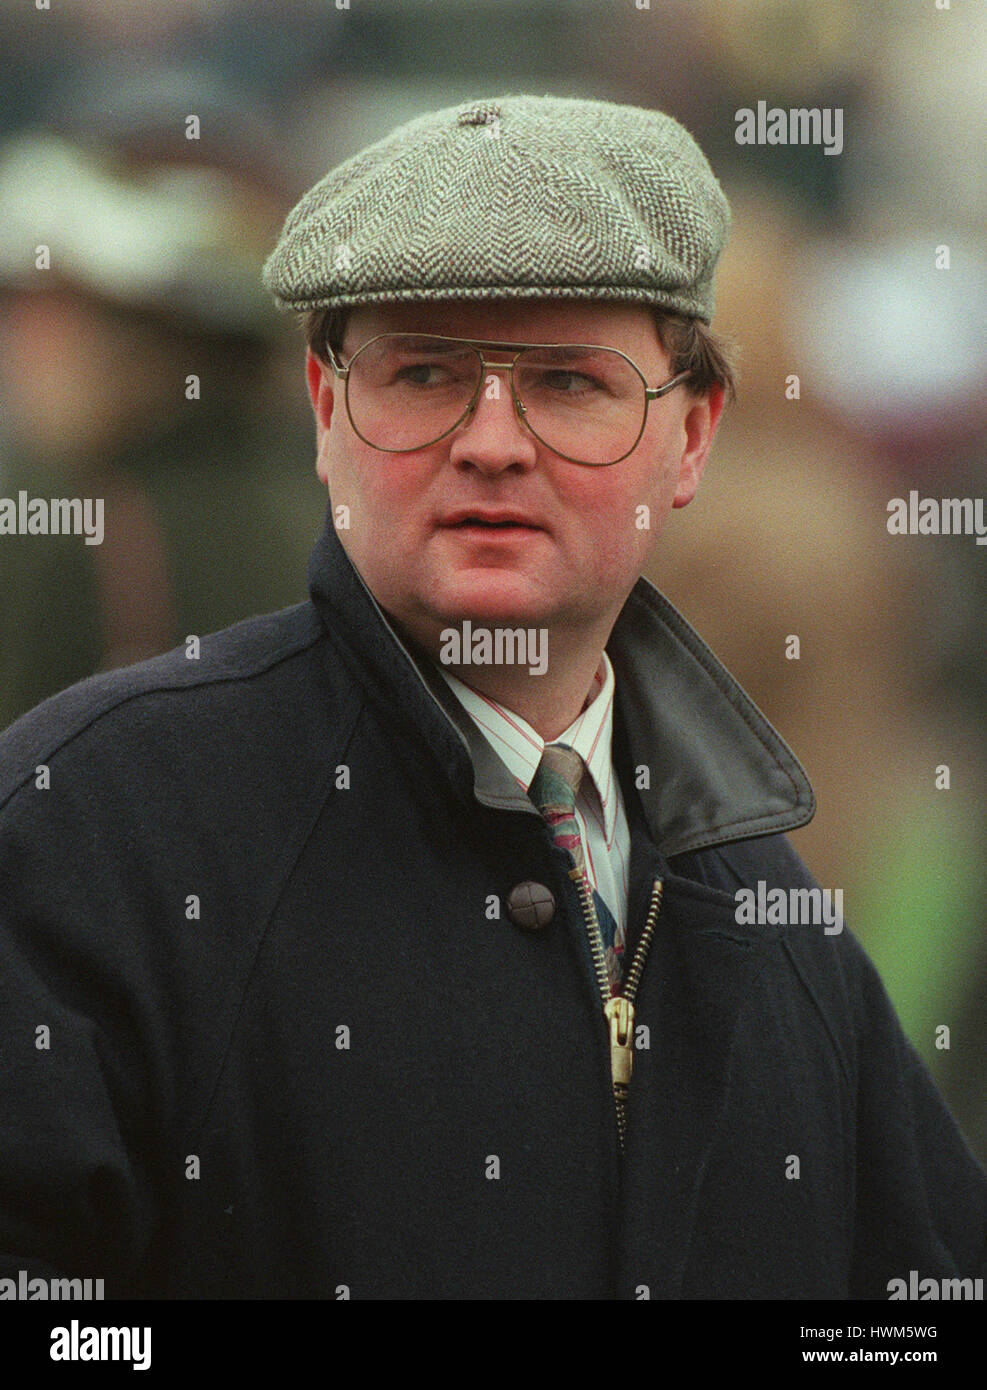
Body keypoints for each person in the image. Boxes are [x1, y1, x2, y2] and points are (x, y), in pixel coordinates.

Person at [0, 94, 984, 1301]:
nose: (493, 440)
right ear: (324, 411)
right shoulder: (93, 827)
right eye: (423, 372)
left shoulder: (766, 910)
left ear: (693, 438)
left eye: (571, 382)